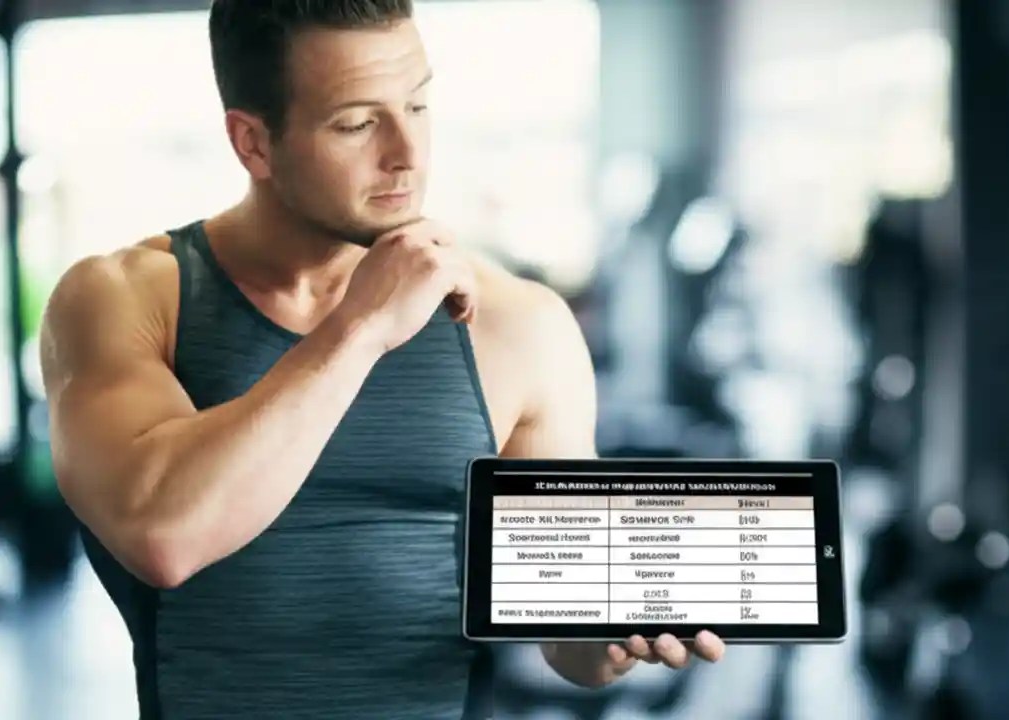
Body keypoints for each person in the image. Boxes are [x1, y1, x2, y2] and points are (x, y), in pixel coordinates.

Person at [38, 2, 725, 718]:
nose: (407, 152)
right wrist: (362, 326)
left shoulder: (520, 325)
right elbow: (162, 536)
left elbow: (565, 635)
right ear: (253, 143)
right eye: (358, 122)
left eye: (419, 104)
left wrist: (609, 636)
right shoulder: (126, 299)